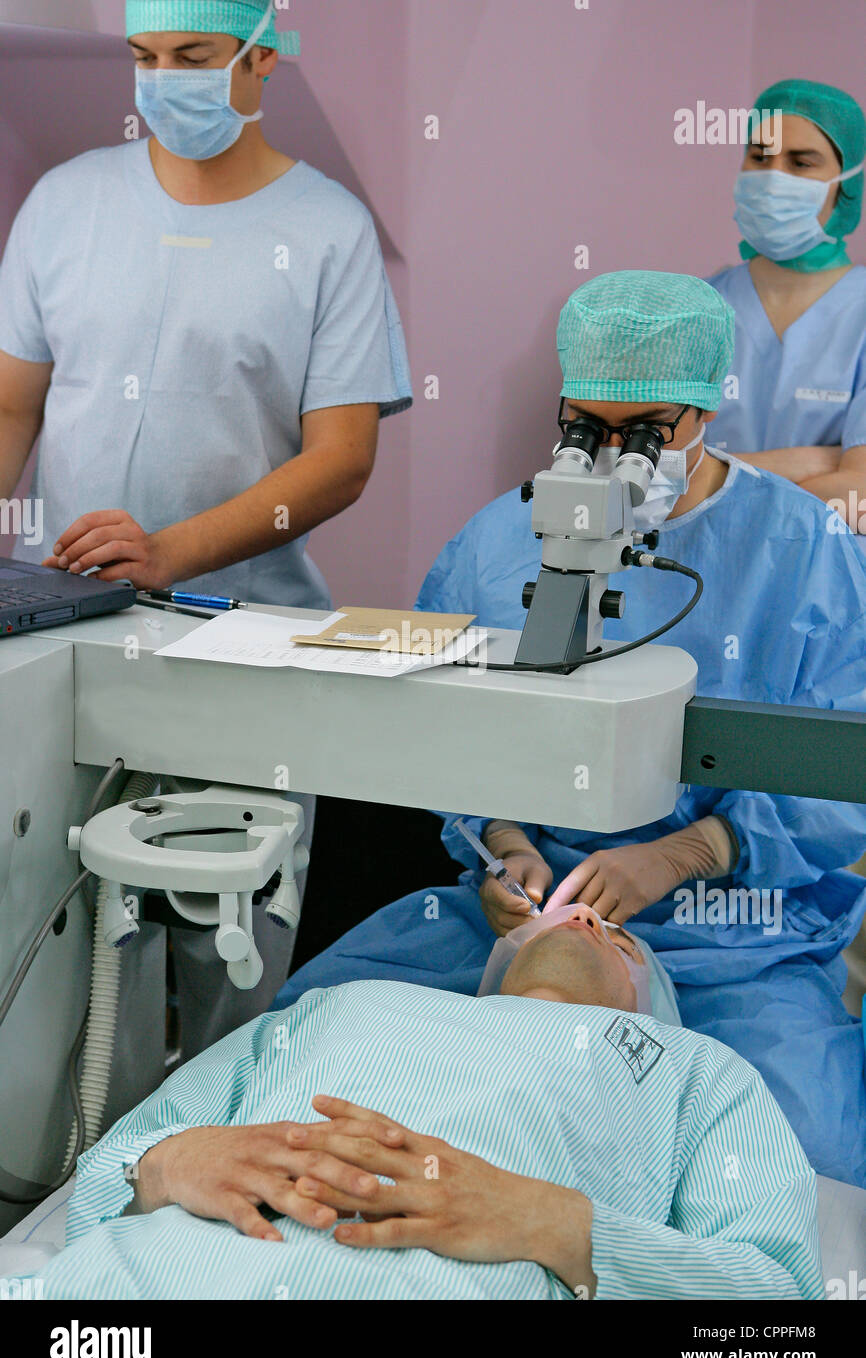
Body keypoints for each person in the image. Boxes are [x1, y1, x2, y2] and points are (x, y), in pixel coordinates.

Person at [277, 271, 866, 1189]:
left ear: (705, 411)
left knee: (811, 1163)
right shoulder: (499, 539)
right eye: (585, 427)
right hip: (519, 919)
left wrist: (690, 853)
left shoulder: (806, 549)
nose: (609, 455)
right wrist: (501, 845)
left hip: (732, 933)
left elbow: (842, 774)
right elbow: (447, 734)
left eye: (646, 434)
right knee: (310, 1045)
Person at [0, 0, 411, 1063]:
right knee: (63, 951)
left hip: (246, 639)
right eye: (144, 57)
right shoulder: (66, 203)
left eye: (190, 56)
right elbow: (12, 404)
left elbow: (340, 458)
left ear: (260, 58)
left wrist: (168, 554)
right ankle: (80, 1192)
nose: (161, 80)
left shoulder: (327, 231)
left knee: (228, 946)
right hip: (64, 630)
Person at [34, 906, 822, 1300]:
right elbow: (110, 1170)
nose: (582, 915)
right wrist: (175, 1161)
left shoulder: (696, 1069)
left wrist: (553, 1224)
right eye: (557, 911)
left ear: (648, 1004)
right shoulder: (336, 1006)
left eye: (616, 933)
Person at [706, 80, 866, 540]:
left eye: (800, 162)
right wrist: (809, 461)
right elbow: (644, 477)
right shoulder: (696, 308)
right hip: (690, 580)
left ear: (847, 185)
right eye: (759, 157)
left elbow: (859, 498)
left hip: (830, 590)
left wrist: (714, 477)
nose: (773, 176)